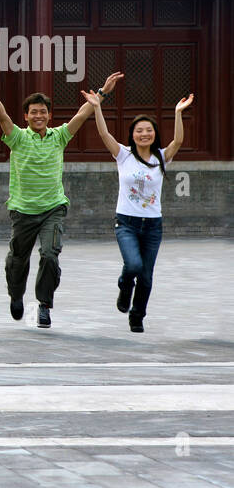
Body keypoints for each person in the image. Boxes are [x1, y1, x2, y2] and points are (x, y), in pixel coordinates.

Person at [0, 66, 122, 328]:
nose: (39, 116)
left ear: (49, 115)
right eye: (34, 112)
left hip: (52, 209)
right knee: (17, 260)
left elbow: (83, 113)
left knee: (50, 255)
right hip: (23, 211)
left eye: (43, 112)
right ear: (26, 116)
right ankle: (15, 294)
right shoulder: (18, 138)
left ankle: (44, 305)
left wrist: (102, 93)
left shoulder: (59, 137)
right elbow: (1, 115)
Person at [82, 86, 194, 333]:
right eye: (139, 131)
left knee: (146, 276)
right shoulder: (123, 155)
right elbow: (103, 134)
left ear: (154, 134)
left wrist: (177, 112)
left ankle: (137, 315)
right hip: (127, 223)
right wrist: (97, 107)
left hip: (153, 225)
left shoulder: (162, 157)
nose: (144, 134)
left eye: (149, 130)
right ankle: (124, 286)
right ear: (132, 134)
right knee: (133, 266)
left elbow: (179, 141)